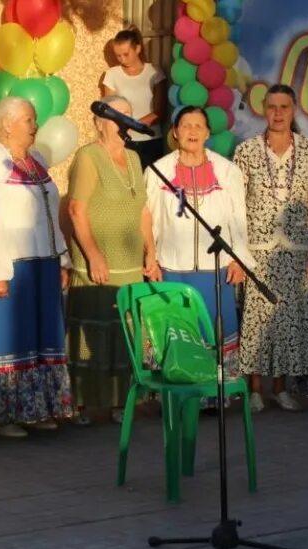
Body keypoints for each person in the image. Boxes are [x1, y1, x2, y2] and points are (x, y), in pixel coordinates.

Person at [0, 97, 74, 438]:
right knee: (11, 339)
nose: (35, 125)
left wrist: (61, 257)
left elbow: (50, 213)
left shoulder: (37, 161)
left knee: (41, 337)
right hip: (12, 266)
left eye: (34, 119)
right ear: (7, 125)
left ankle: (37, 409)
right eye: (28, 119)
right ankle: (4, 415)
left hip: (43, 263)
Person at [144, 105, 254, 406]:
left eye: (198, 126)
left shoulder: (227, 171)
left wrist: (238, 259)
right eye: (186, 126)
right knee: (178, 333)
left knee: (213, 330)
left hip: (215, 269)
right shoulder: (158, 172)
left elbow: (238, 219)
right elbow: (148, 217)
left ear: (207, 133)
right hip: (172, 267)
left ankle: (214, 398)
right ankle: (177, 398)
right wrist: (151, 257)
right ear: (175, 132)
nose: (192, 132)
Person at [233, 84, 308, 413]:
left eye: (284, 107)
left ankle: (281, 388)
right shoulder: (246, 150)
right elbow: (236, 205)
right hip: (257, 250)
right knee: (256, 321)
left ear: (293, 110)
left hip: (295, 250)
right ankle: (255, 390)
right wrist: (238, 252)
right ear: (263, 109)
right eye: (272, 106)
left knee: (290, 318)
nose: (277, 113)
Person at [67, 95, 158, 425]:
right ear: (99, 122)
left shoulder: (134, 158)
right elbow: (76, 209)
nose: (123, 121)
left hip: (130, 264)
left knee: (126, 334)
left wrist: (151, 252)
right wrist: (93, 255)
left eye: (128, 115)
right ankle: (82, 403)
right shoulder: (88, 156)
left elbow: (142, 211)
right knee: (92, 336)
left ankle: (122, 400)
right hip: (98, 264)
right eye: (116, 115)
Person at [102, 28, 167, 169]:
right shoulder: (112, 75)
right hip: (123, 141)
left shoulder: (154, 72)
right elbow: (109, 110)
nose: (122, 59)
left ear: (137, 48)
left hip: (151, 140)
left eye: (126, 54)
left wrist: (132, 125)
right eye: (118, 56)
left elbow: (160, 112)